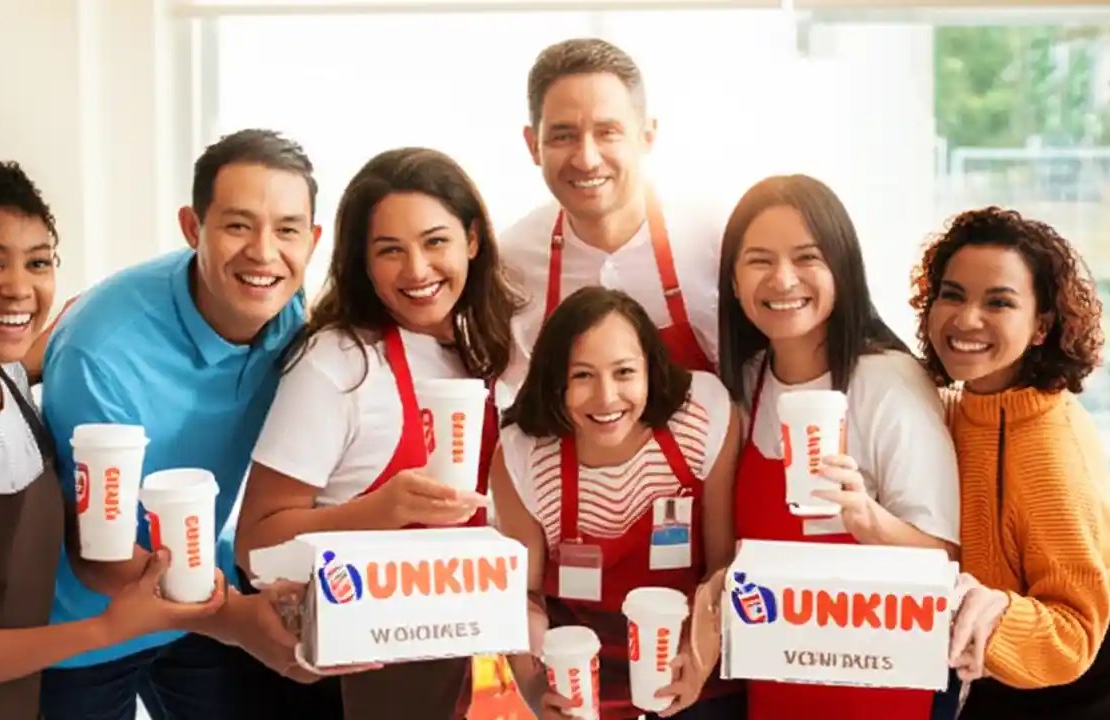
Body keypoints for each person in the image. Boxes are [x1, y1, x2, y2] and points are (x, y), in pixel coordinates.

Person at [0, 156, 222, 718]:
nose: (19, 289)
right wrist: (105, 629)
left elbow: (42, 340)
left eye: (39, 263)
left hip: (5, 699)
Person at [37, 129, 336, 720]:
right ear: (192, 227)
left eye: (287, 229)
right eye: (237, 225)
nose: (263, 252)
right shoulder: (103, 352)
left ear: (312, 240)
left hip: (198, 587)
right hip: (86, 621)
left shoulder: (290, 313)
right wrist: (233, 621)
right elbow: (97, 553)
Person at [236, 146, 523, 720]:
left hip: (466, 659)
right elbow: (255, 545)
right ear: (363, 265)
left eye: (435, 241)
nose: (416, 269)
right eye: (390, 250)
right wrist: (380, 509)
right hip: (356, 675)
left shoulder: (489, 352)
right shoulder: (337, 363)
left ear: (472, 240)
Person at [717, 174, 960, 720]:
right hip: (777, 684)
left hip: (882, 693)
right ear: (732, 282)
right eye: (758, 261)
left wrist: (869, 520)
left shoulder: (889, 382)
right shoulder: (746, 385)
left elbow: (947, 560)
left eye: (808, 257)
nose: (783, 280)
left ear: (843, 271)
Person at [911, 207, 1110, 719]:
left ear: (1041, 327)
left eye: (999, 302)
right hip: (1002, 646)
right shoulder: (959, 406)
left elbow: (1074, 632)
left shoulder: (1051, 448)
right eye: (952, 294)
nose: (966, 319)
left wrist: (995, 616)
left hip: (1090, 667)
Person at [492, 286, 742, 720]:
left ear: (650, 369)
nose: (606, 398)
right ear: (555, 382)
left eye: (624, 372)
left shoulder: (702, 416)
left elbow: (721, 565)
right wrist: (535, 691)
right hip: (584, 687)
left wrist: (697, 659)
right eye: (582, 376)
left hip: (695, 666)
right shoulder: (523, 456)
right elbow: (524, 594)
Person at [499, 38, 722, 397]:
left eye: (607, 132)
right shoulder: (509, 261)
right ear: (532, 146)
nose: (586, 158)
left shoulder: (715, 240)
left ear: (646, 136)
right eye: (563, 136)